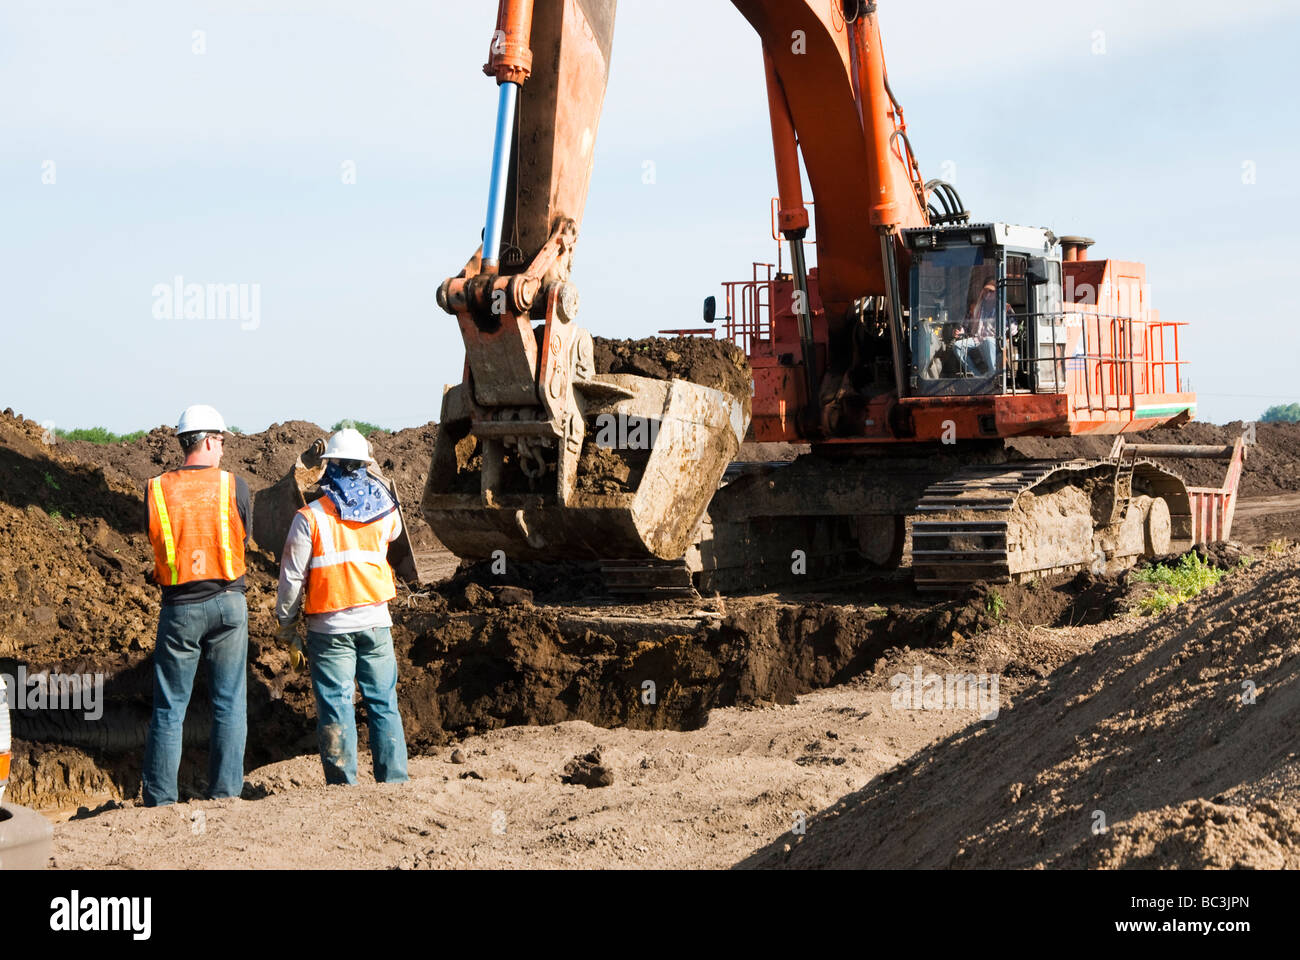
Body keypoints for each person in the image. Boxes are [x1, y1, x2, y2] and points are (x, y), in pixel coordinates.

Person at [275, 428, 408, 785]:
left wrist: (287, 627)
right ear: (365, 466)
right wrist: (374, 472)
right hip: (376, 622)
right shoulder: (384, 511)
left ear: (327, 467)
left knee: (336, 705)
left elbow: (290, 580)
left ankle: (342, 787)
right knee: (383, 702)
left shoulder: (310, 517)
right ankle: (394, 781)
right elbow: (394, 533)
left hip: (330, 629)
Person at [142, 404, 251, 806]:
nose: (222, 450)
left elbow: (158, 542)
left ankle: (160, 800)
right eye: (220, 441)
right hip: (228, 604)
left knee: (170, 708)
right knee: (229, 704)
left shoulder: (155, 488)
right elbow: (241, 542)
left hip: (180, 609)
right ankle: (225, 795)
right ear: (207, 440)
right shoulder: (233, 486)